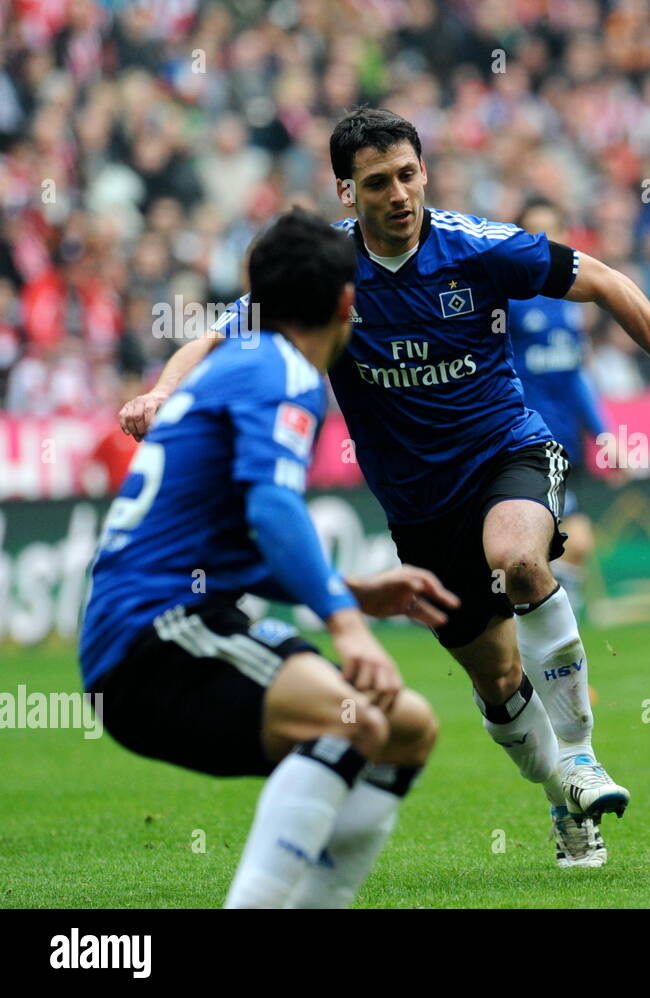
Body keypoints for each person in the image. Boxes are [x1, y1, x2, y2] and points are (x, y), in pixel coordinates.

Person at [119, 108, 650, 868]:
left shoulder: (477, 248)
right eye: (377, 182)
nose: (399, 194)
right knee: (500, 679)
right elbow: (216, 335)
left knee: (519, 561)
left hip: (508, 451)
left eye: (409, 175)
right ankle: (562, 797)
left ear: (425, 173)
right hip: (418, 511)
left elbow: (605, 280)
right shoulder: (326, 273)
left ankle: (580, 753)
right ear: (346, 192)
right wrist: (162, 393)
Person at [81, 209, 460, 907]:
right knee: (352, 721)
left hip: (173, 623)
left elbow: (230, 537)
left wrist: (348, 587)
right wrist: (343, 619)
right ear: (350, 302)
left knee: (406, 729)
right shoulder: (282, 369)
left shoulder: (243, 364)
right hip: (152, 637)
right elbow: (272, 509)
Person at [507, 197, 613, 621]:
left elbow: (576, 377)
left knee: (570, 547)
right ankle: (547, 636)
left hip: (569, 444)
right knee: (562, 545)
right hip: (530, 444)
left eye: (554, 231)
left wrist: (602, 432)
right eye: (537, 233)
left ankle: (555, 638)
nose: (548, 241)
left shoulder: (571, 305)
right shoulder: (508, 303)